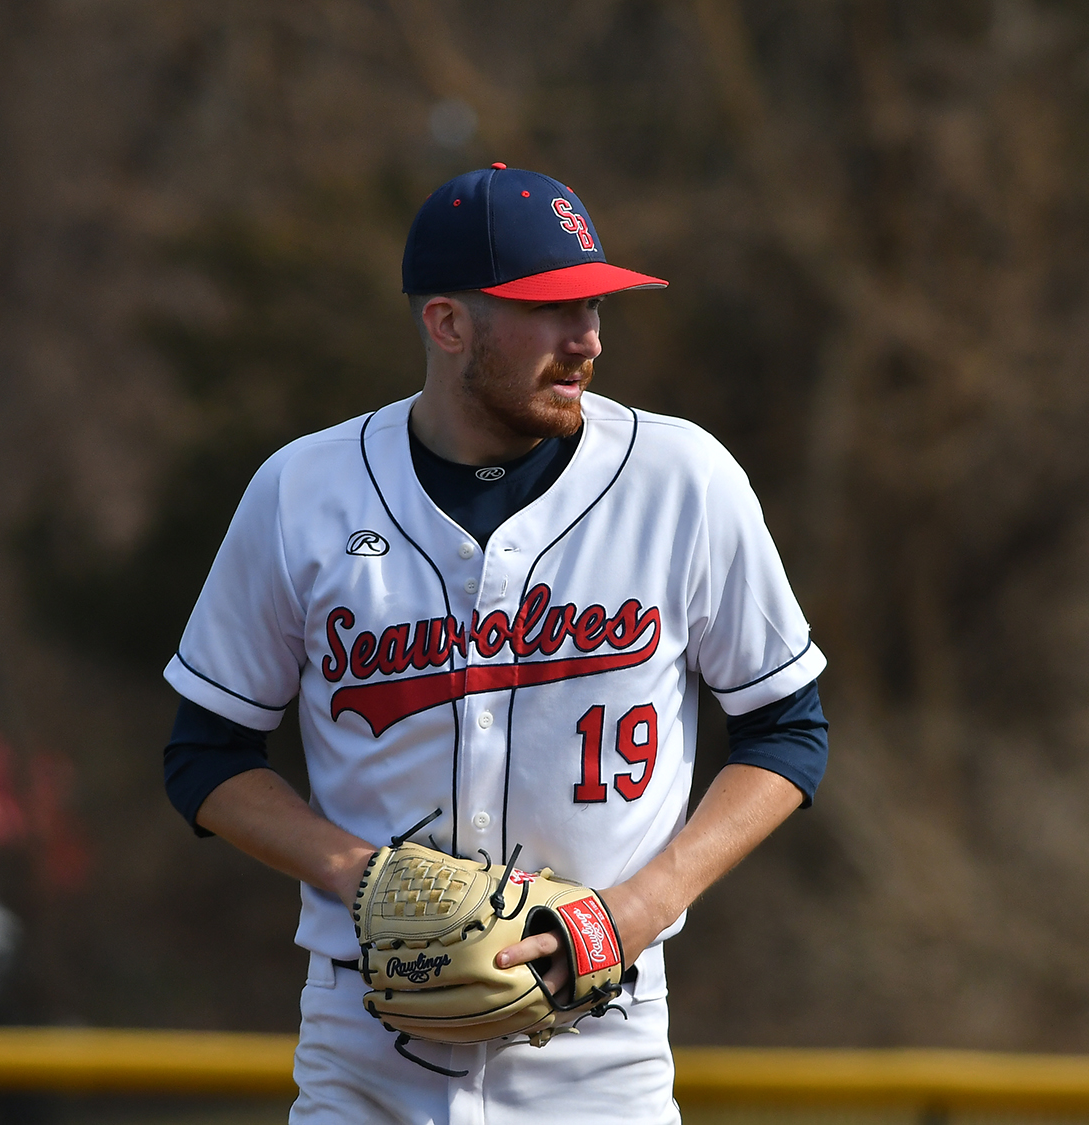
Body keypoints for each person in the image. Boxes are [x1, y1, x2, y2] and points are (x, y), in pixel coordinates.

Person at [162, 164, 830, 1123]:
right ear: (447, 324)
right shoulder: (302, 492)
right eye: (553, 310)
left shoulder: (682, 481)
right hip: (365, 1050)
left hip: (602, 1051)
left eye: (594, 304)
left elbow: (789, 731)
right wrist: (360, 872)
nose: (588, 338)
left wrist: (635, 910)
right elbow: (204, 754)